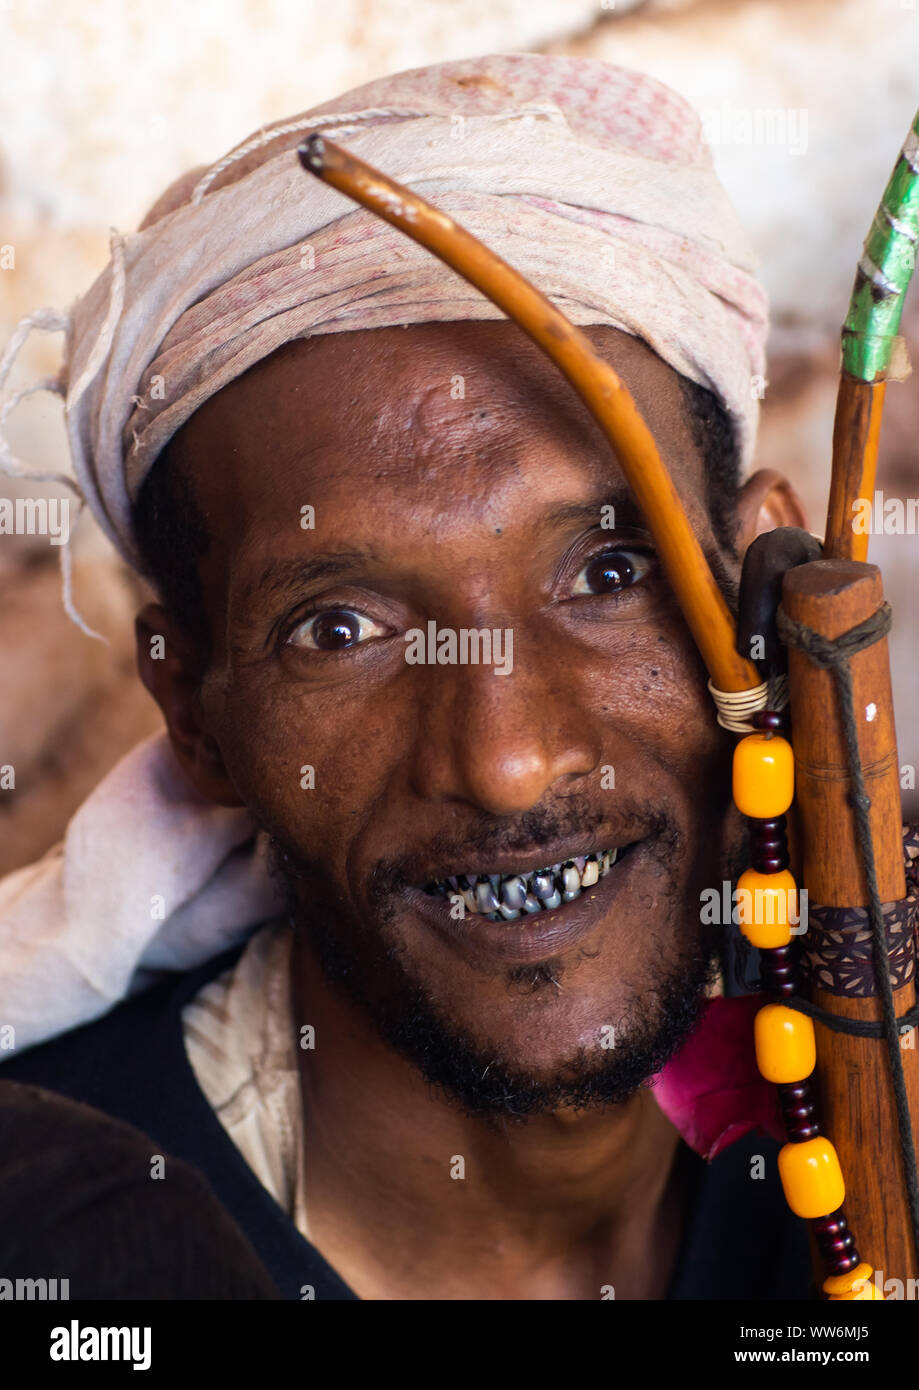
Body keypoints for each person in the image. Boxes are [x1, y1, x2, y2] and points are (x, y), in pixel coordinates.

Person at [0, 52, 822, 1300]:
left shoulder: (867, 1138)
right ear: (195, 714)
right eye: (338, 630)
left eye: (607, 575)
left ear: (769, 594)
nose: (504, 761)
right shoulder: (60, 1237)